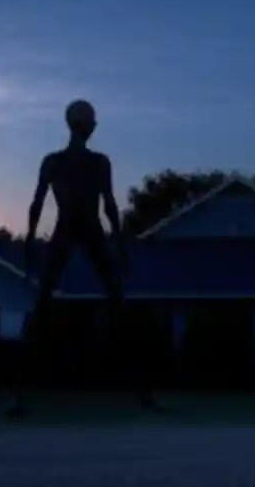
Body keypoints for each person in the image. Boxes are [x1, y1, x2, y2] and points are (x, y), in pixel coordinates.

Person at [10, 99, 159, 416]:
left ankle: (143, 391)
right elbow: (41, 204)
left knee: (96, 304)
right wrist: (31, 246)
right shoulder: (73, 162)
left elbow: (108, 205)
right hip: (75, 229)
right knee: (46, 307)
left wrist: (118, 247)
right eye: (90, 120)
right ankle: (20, 394)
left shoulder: (84, 162)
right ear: (80, 123)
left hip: (84, 230)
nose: (94, 125)